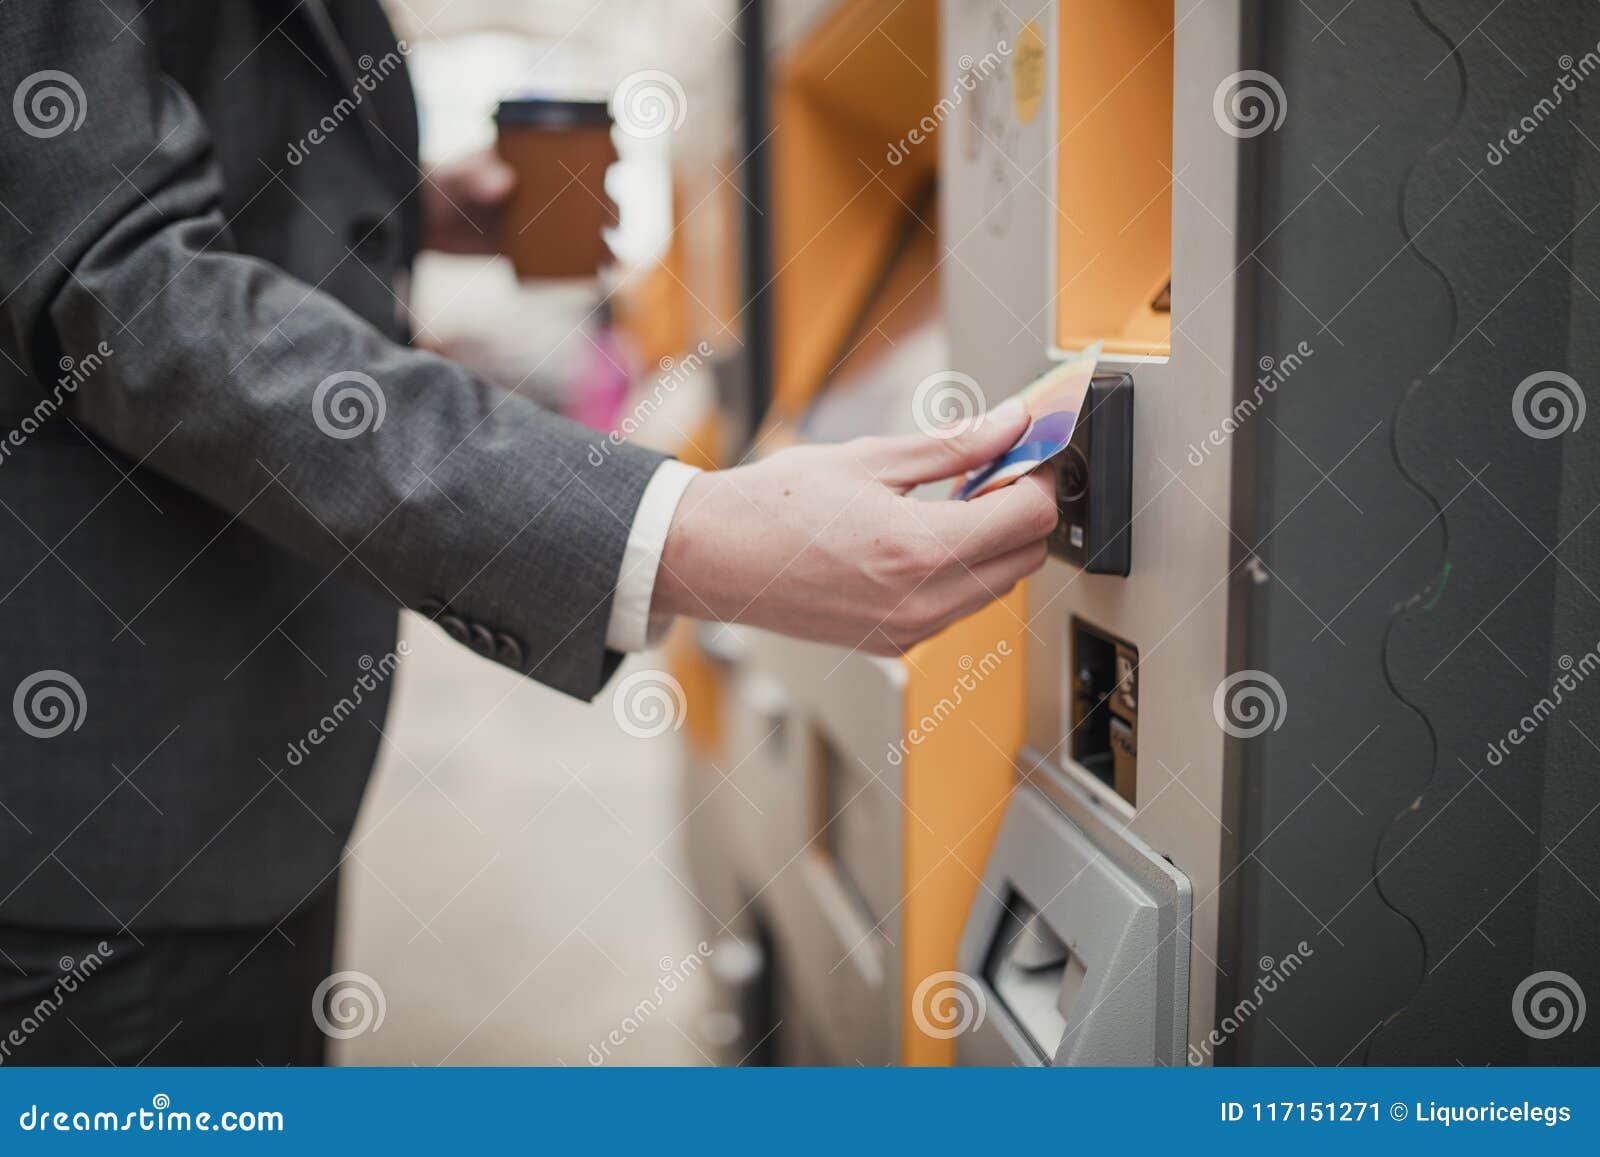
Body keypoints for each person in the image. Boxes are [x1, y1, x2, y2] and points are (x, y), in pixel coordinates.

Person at [0, 1, 1056, 1064]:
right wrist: (676, 527)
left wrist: (394, 211)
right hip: (108, 802)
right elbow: (116, 288)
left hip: (230, 771)